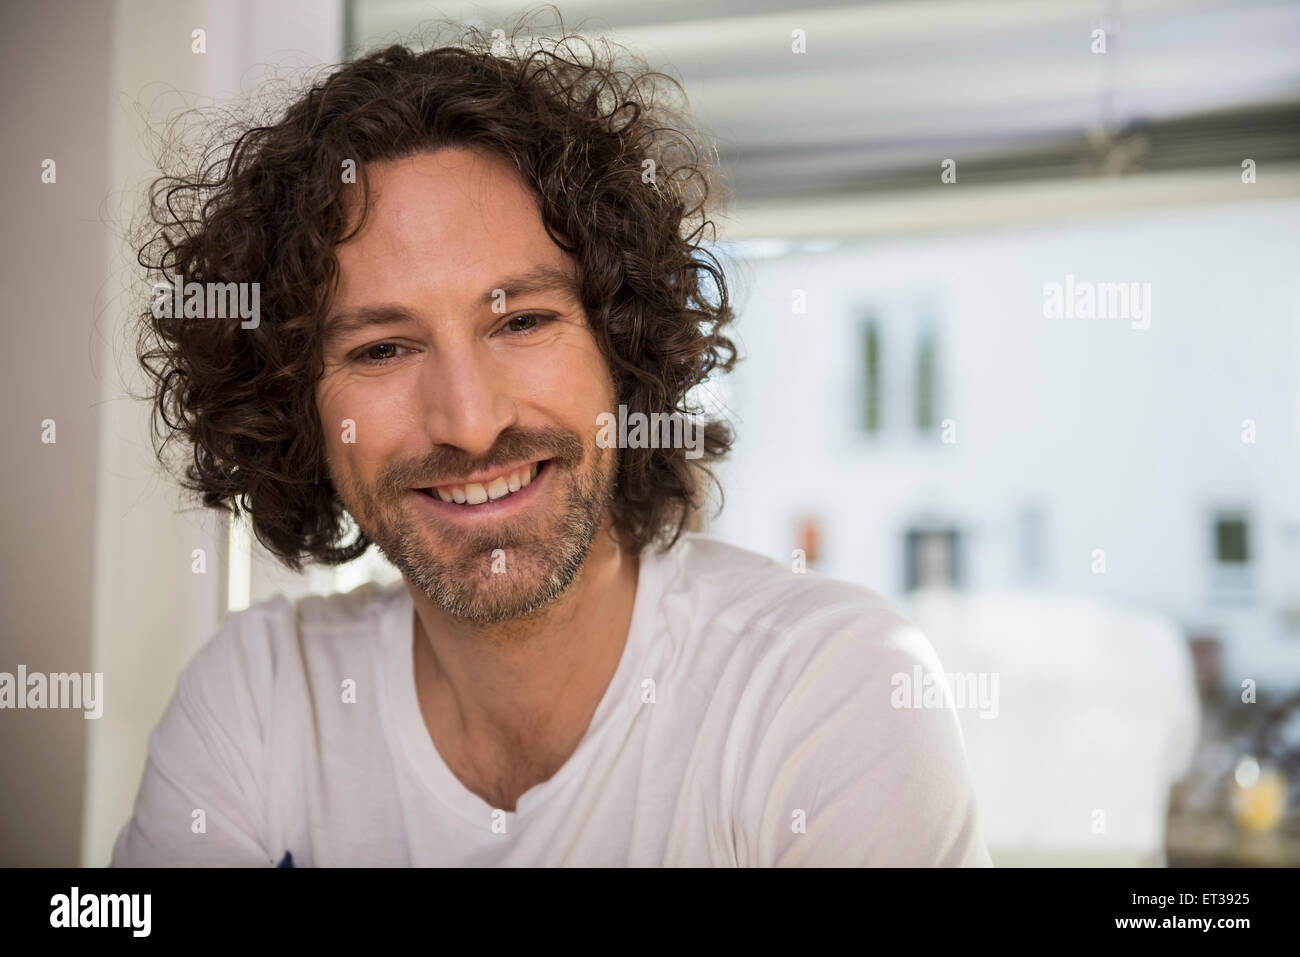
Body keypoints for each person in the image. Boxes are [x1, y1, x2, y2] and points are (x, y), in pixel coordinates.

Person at [112, 24, 992, 867]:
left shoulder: (823, 689)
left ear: (621, 346)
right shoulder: (260, 698)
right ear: (289, 405)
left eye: (523, 320)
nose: (469, 420)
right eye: (382, 347)